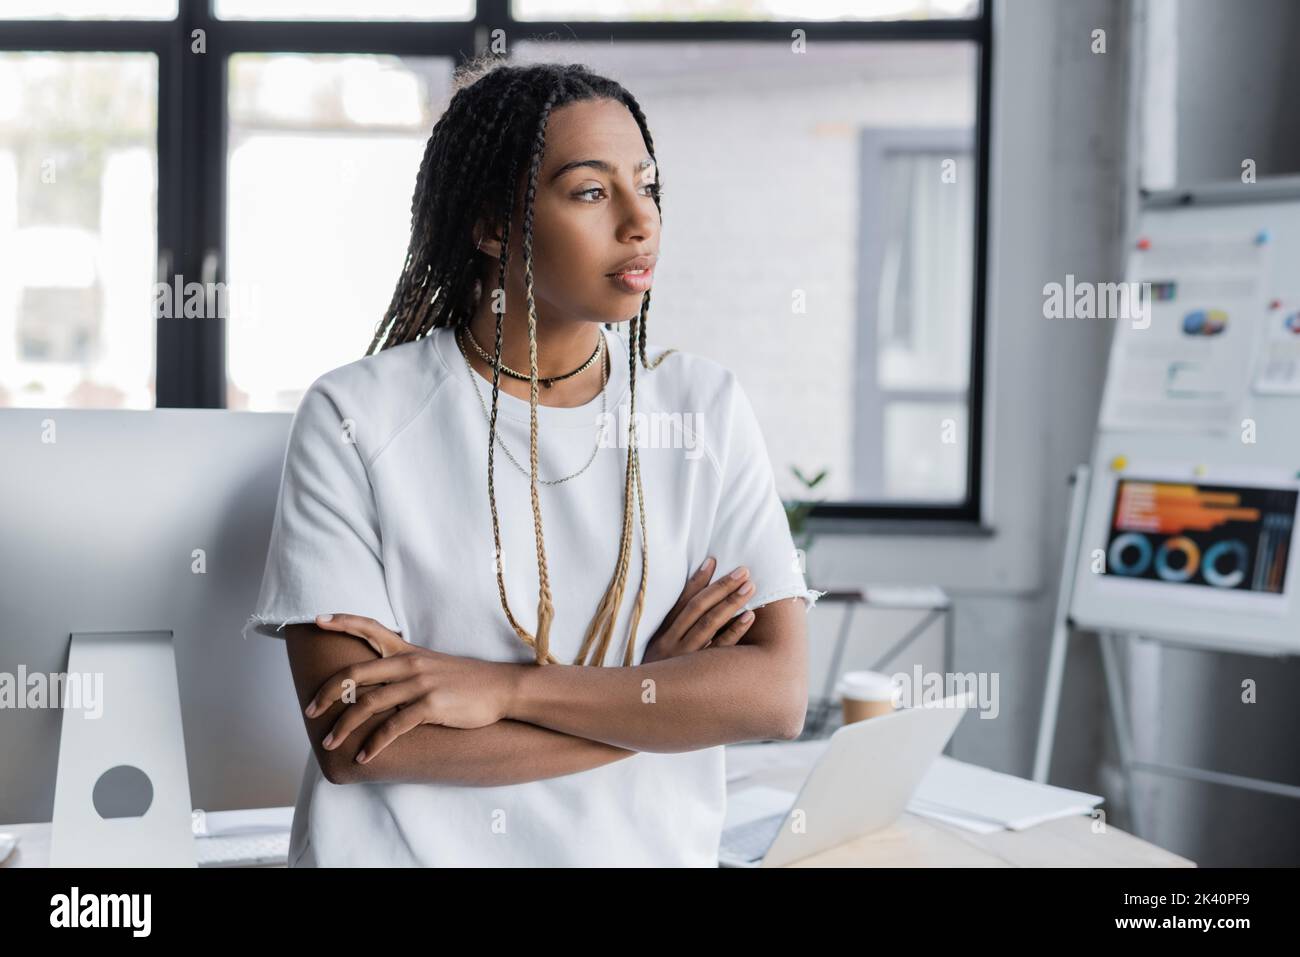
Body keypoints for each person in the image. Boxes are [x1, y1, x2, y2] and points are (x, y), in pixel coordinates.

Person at [243, 58, 823, 867]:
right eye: (591, 191)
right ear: (489, 224)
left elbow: (774, 696)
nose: (640, 221)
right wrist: (653, 697)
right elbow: (358, 740)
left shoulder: (702, 410)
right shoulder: (355, 417)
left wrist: (501, 689)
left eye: (647, 186)